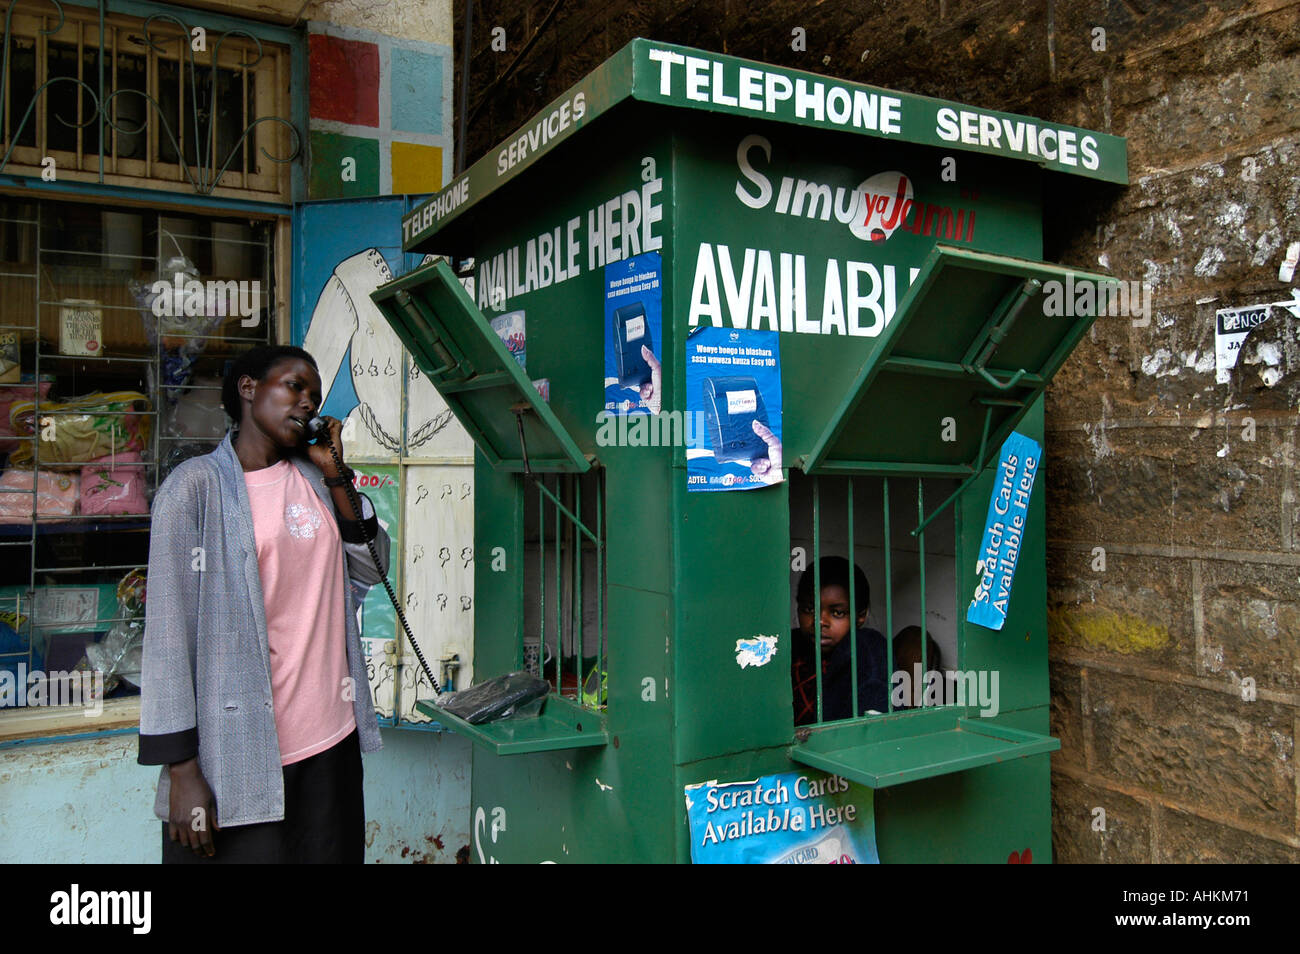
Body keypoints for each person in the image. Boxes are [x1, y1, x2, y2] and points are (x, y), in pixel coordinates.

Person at [138, 345, 389, 863]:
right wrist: (182, 770)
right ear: (249, 389)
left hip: (330, 742)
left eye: (315, 395)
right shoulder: (194, 491)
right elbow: (166, 638)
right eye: (294, 386)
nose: (308, 403)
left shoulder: (318, 481)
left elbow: (370, 569)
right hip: (240, 752)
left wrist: (337, 470)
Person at [791, 556, 889, 726]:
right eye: (809, 609)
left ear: (860, 616)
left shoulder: (867, 648)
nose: (820, 621)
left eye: (837, 613)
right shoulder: (788, 646)